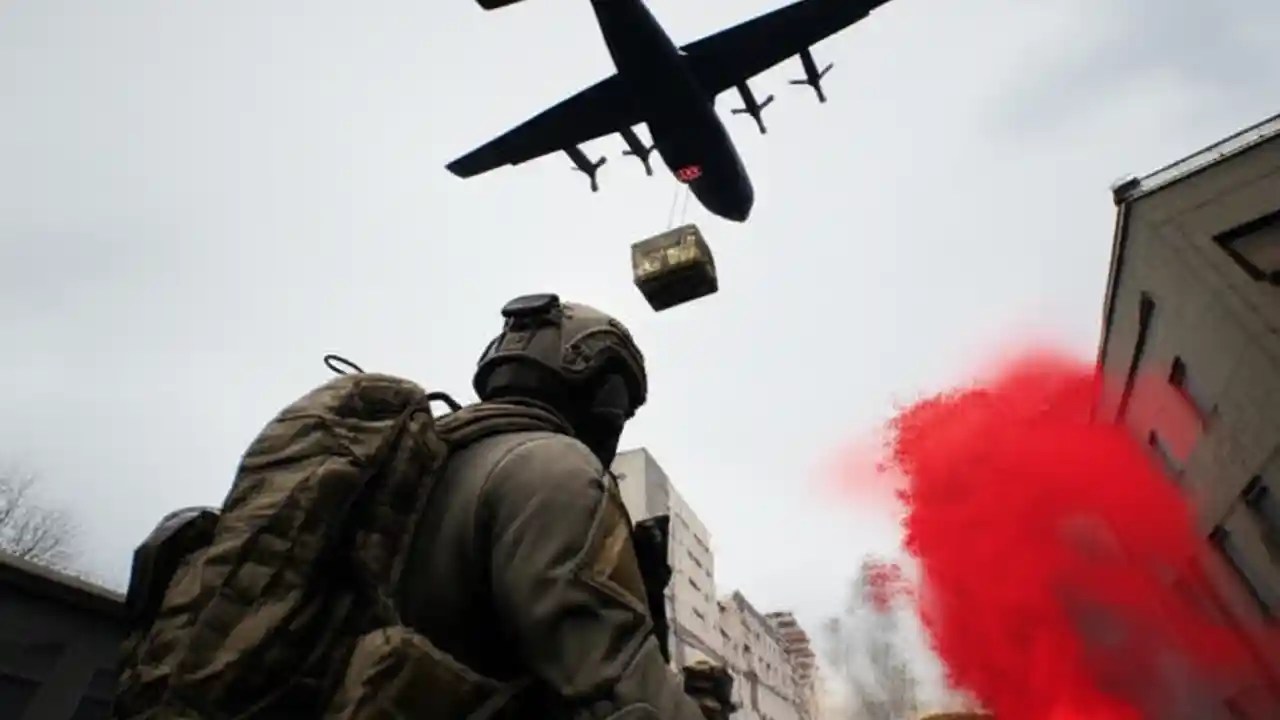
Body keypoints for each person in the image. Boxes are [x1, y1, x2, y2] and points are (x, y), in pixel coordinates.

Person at [114, 293, 733, 720]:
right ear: (600, 393)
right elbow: (620, 691)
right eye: (619, 399)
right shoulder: (554, 471)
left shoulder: (409, 467)